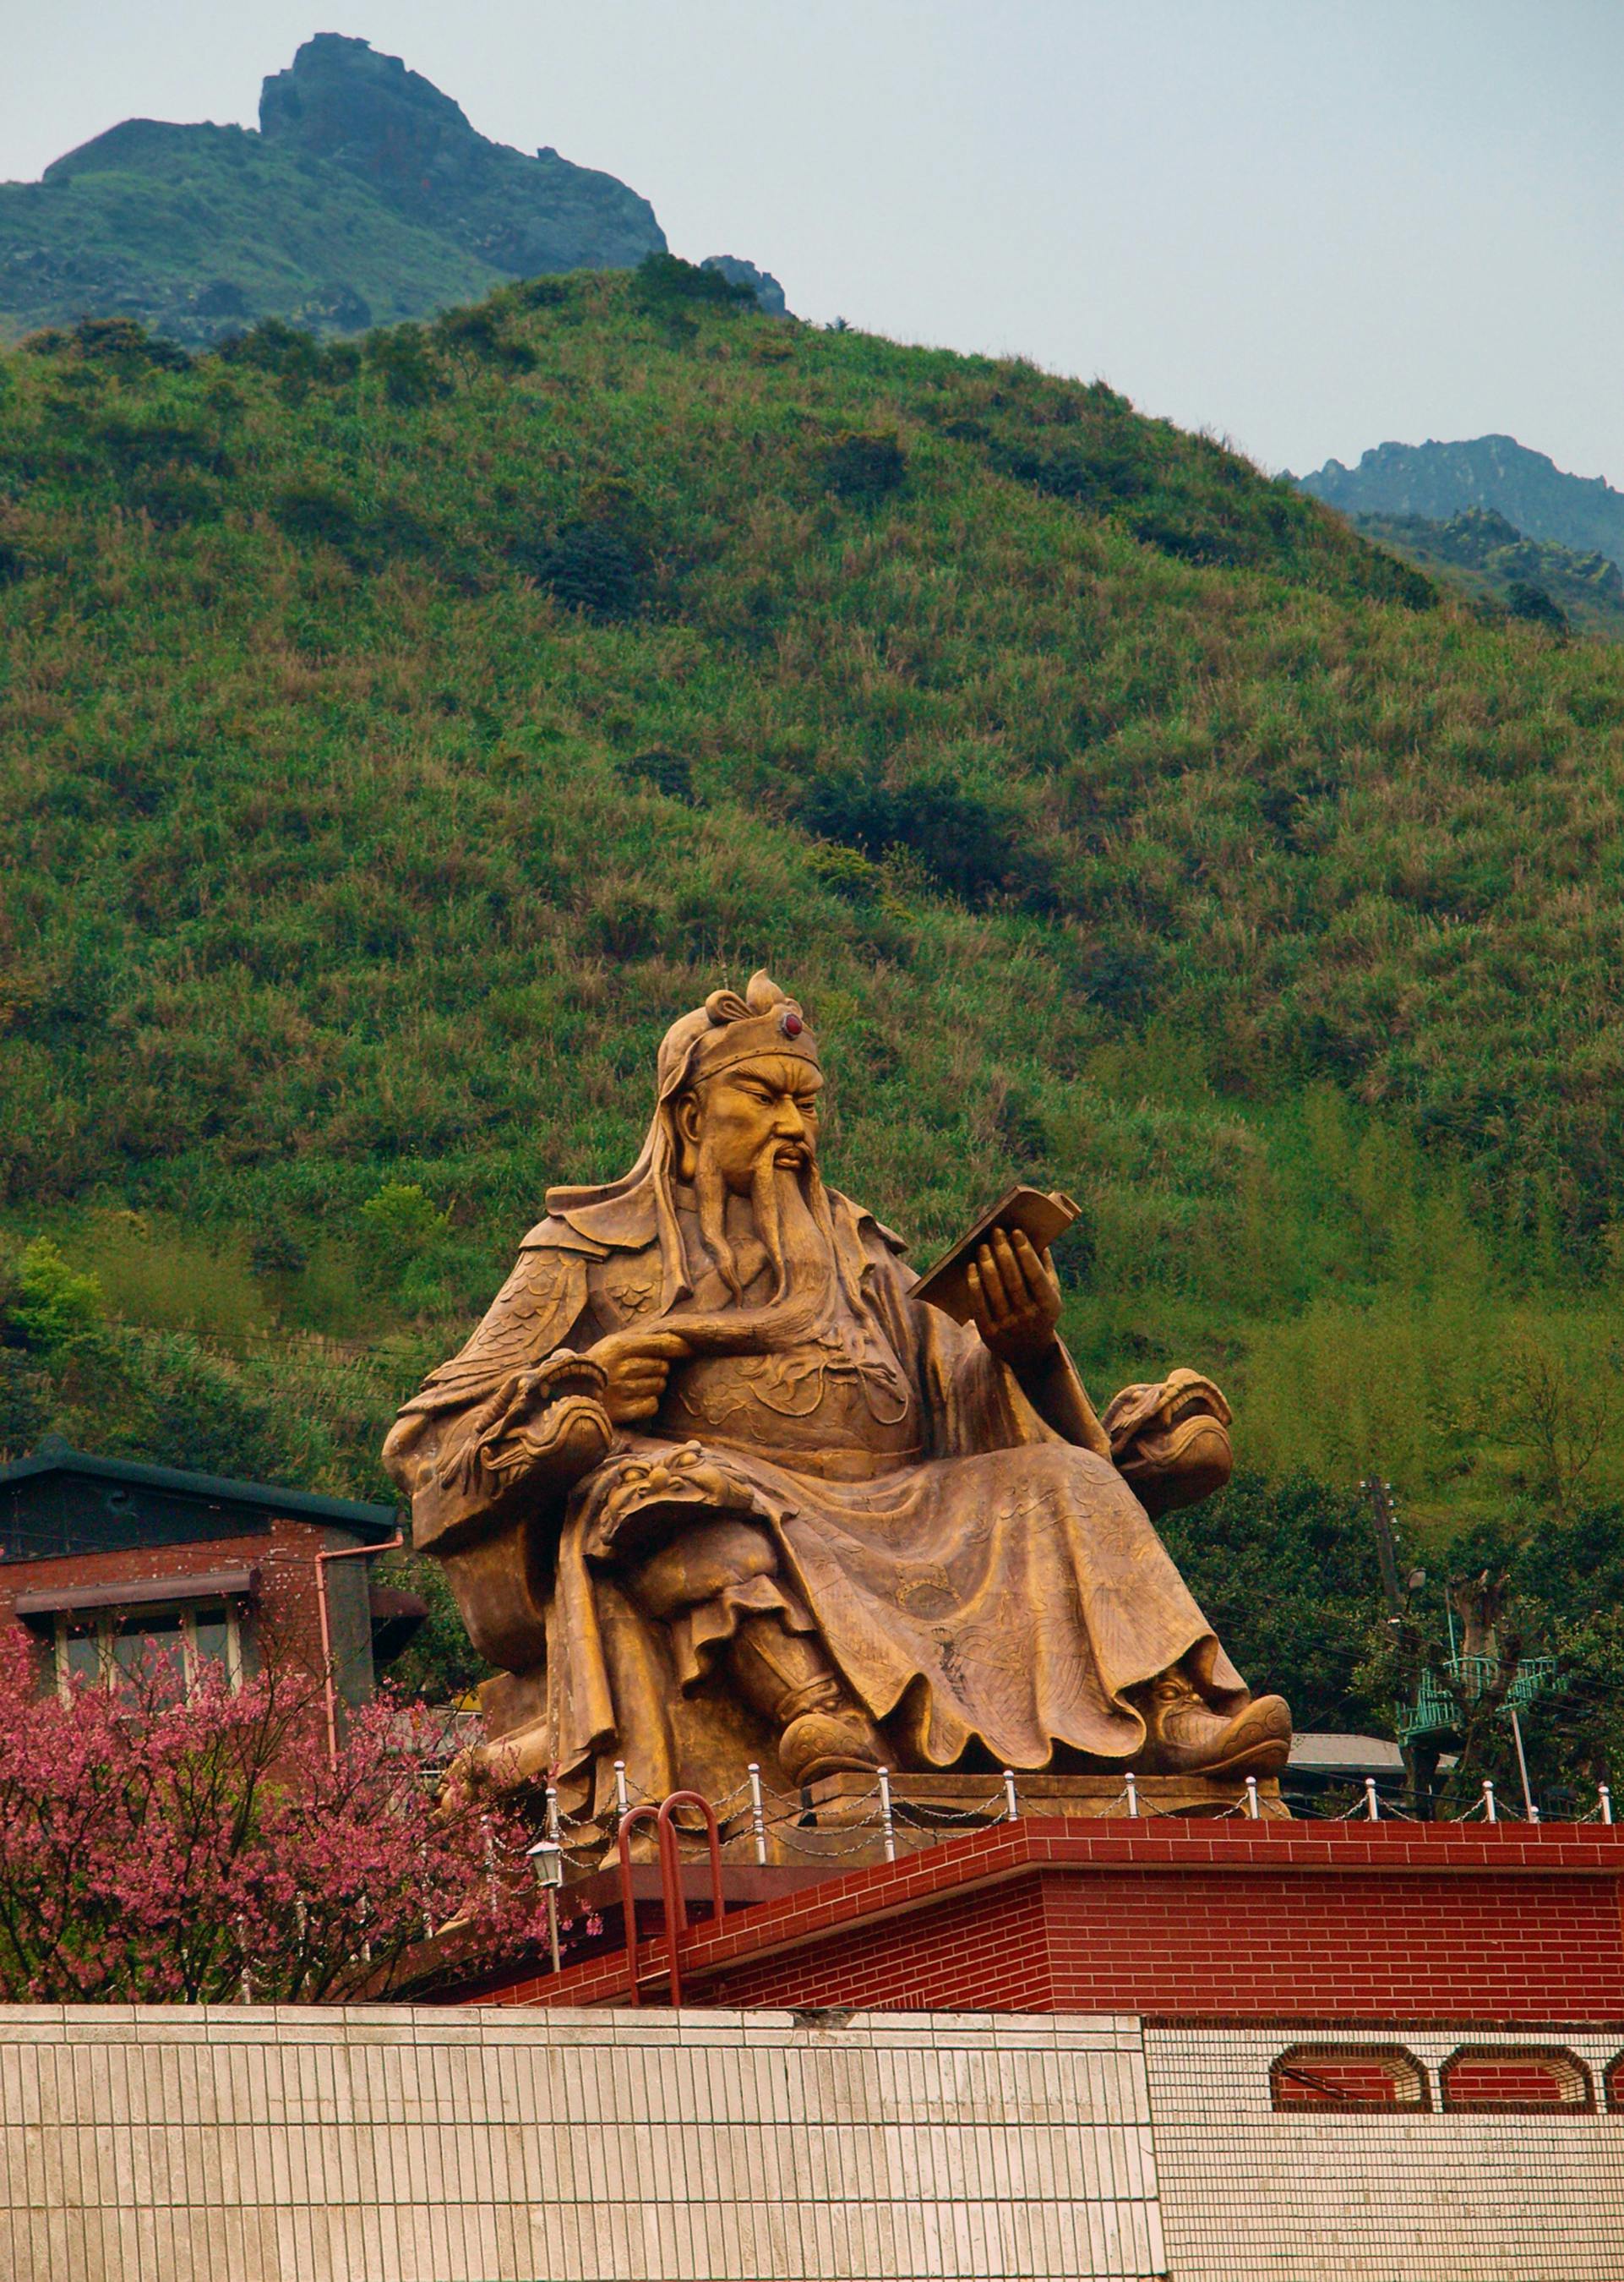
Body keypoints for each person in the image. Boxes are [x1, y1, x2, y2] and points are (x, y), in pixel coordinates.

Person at [383, 974, 1289, 1815]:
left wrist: (1027, 1349)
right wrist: (585, 1389)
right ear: (691, 1116)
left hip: (899, 1503)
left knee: (1067, 1485)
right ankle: (815, 1721)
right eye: (764, 1098)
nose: (795, 1126)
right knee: (662, 1493)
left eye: (806, 1104)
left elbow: (966, 1406)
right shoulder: (588, 1249)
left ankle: (1168, 1712)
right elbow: (426, 1443)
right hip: (735, 1498)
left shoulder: (860, 1252)